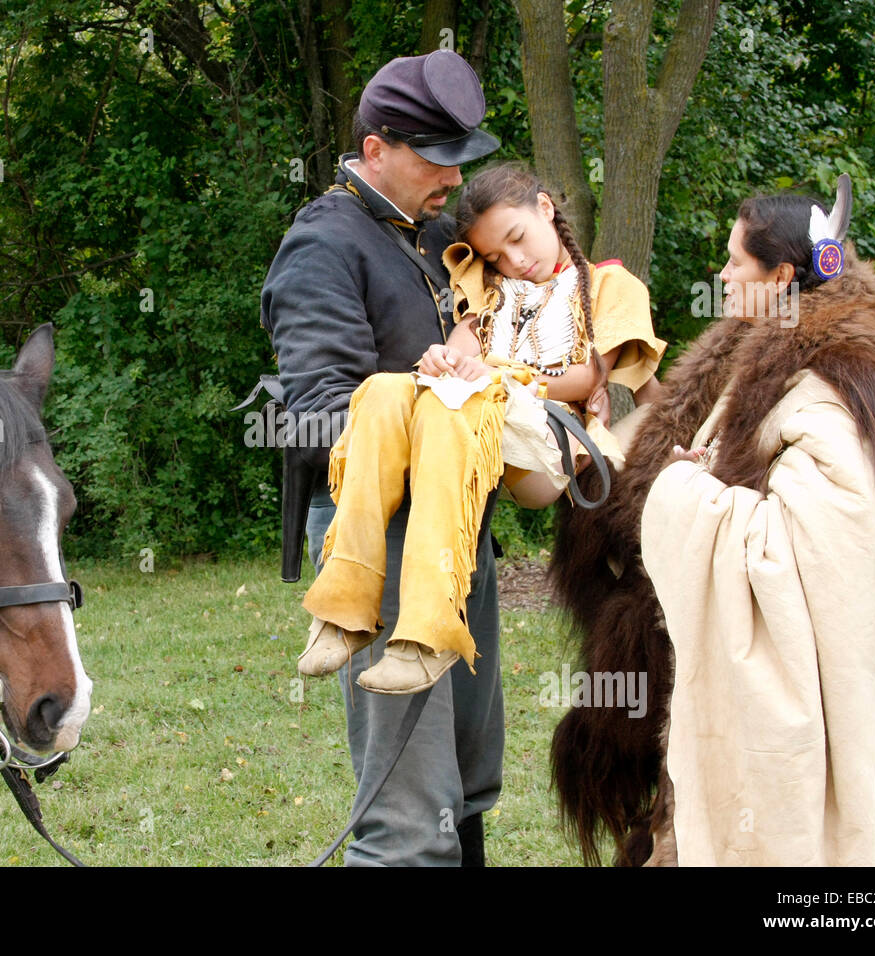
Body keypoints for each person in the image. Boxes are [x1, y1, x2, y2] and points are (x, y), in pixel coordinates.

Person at [554, 174, 875, 866]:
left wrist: (683, 492)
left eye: (737, 261)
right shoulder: (762, 354)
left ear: (784, 275)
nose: (723, 274)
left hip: (796, 691)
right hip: (712, 677)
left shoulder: (830, 381)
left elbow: (816, 550)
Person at [260, 49, 501, 866]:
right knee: (405, 826)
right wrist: (430, 390)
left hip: (460, 538)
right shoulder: (322, 246)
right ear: (374, 150)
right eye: (436, 160)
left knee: (466, 792)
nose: (451, 179)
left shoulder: (435, 236)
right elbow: (323, 415)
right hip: (386, 548)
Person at [298, 163, 666, 696]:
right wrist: (442, 360)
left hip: (550, 443)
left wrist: (494, 374)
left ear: (546, 208)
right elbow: (463, 349)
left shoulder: (607, 283)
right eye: (495, 256)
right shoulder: (497, 290)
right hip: (486, 418)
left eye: (517, 239)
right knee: (381, 391)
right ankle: (345, 602)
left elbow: (588, 375)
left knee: (454, 407)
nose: (515, 261)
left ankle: (431, 629)